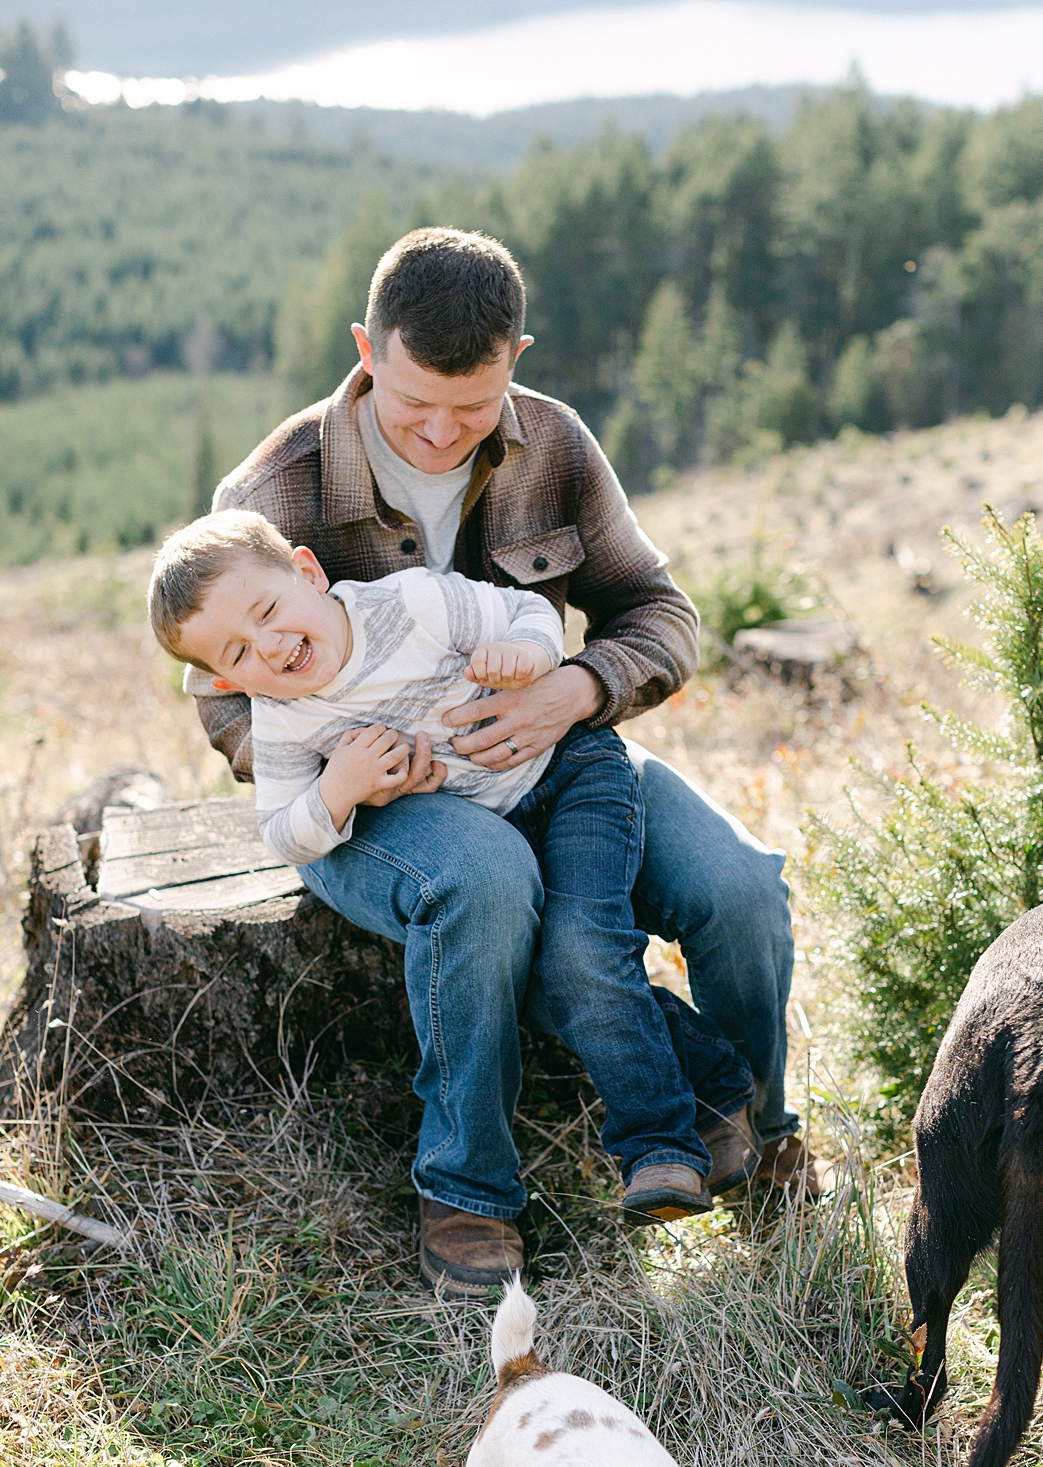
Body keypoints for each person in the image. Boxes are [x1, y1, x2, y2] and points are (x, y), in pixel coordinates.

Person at [184, 226, 827, 1297]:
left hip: (553, 753)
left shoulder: (557, 446)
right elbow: (218, 693)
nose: (439, 435)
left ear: (514, 359)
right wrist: (357, 767)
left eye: (470, 408)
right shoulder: (274, 485)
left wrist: (574, 688)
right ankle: (466, 1187)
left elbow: (659, 612)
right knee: (488, 881)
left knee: (737, 888)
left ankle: (750, 1128)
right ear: (365, 348)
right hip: (383, 798)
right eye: (410, 406)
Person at [149, 511, 760, 1273]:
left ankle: (661, 1145)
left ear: (307, 572)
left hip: (572, 775)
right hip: (486, 812)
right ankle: (710, 1092)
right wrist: (341, 791)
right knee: (556, 967)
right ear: (226, 680)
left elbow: (530, 609)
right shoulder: (283, 720)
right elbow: (283, 832)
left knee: (584, 945)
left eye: (269, 612)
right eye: (239, 651)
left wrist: (527, 651)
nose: (269, 644)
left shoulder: (409, 603)